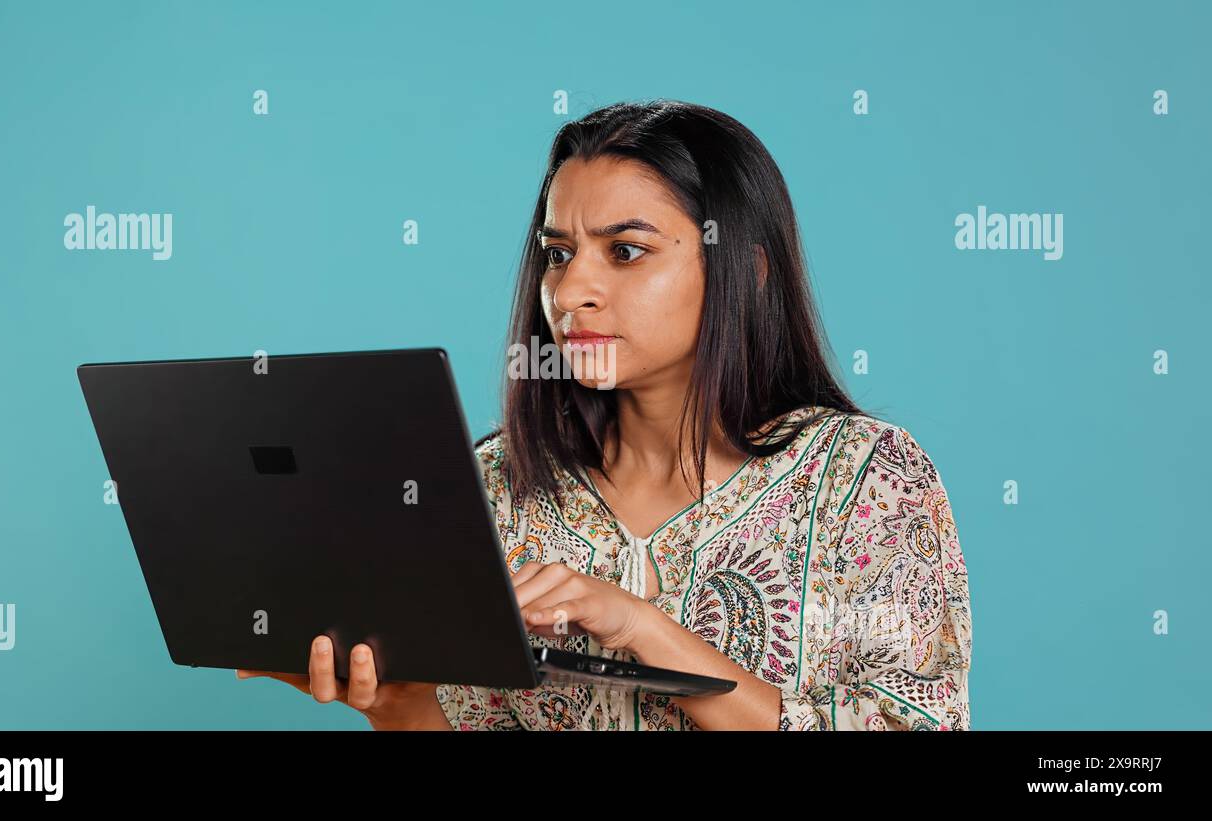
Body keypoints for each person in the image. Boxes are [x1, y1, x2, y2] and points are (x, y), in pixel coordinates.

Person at [238, 100, 973, 731]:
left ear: (743, 271)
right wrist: (400, 709)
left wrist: (643, 627)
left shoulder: (866, 481)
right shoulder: (495, 485)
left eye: (625, 251)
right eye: (559, 254)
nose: (571, 290)